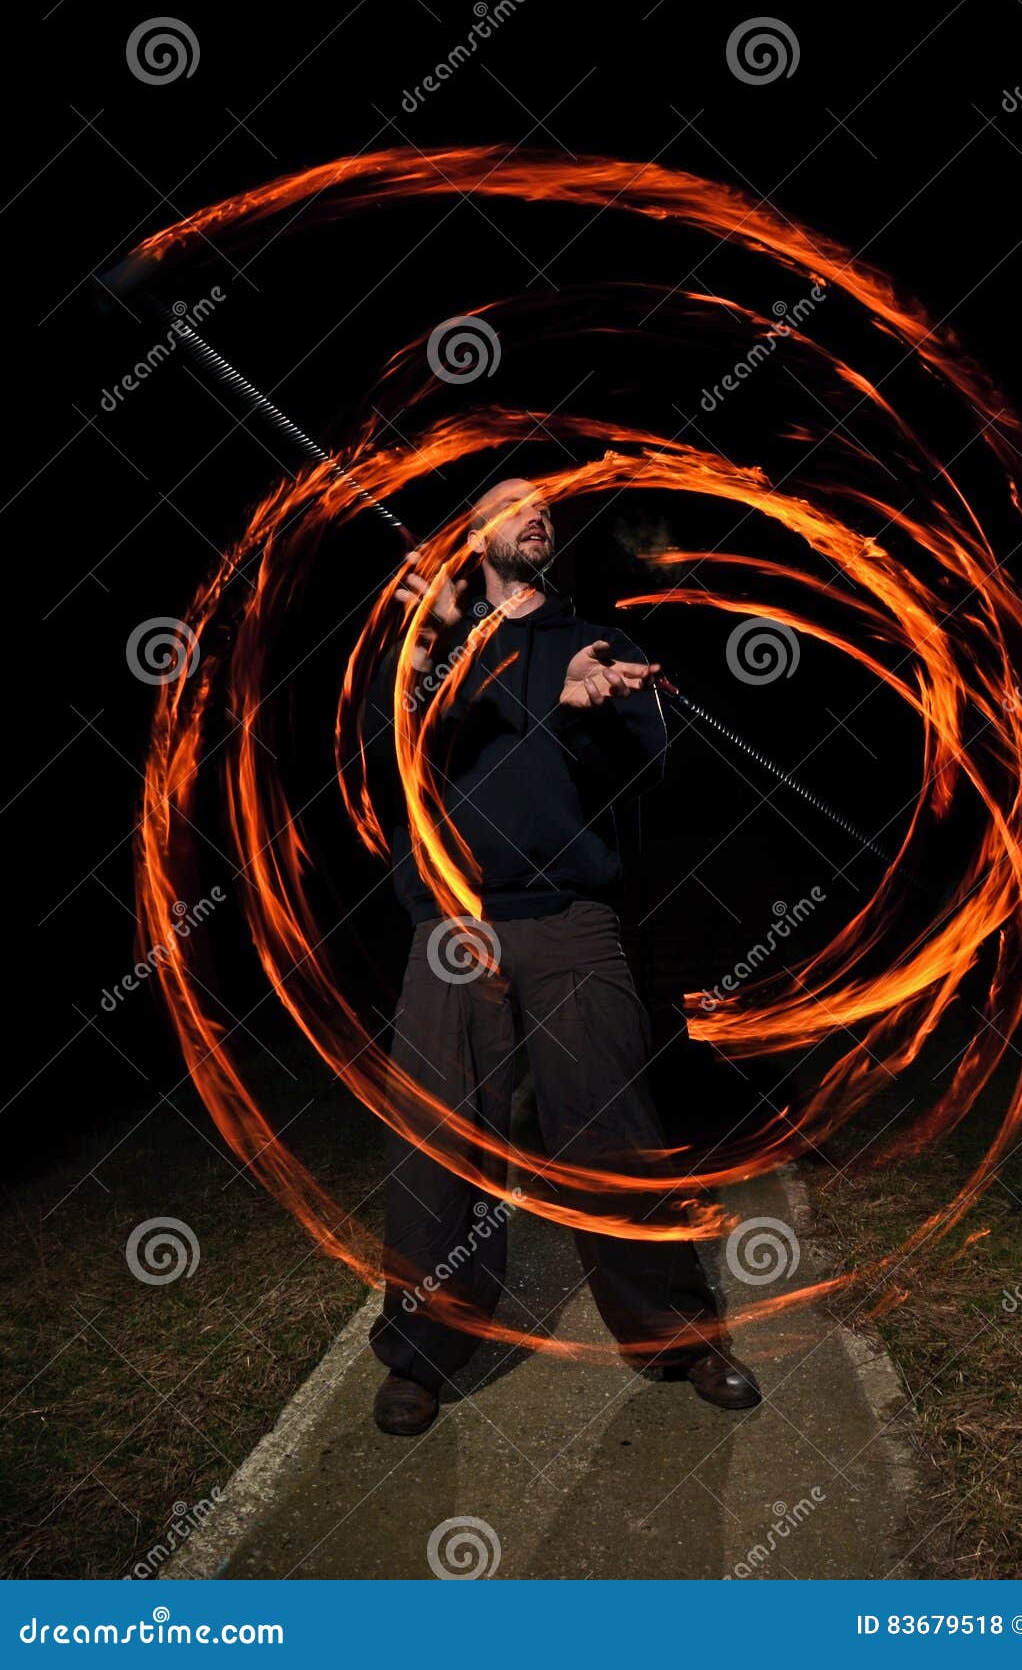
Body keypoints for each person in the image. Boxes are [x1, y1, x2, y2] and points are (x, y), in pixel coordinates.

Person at [365, 477, 760, 1436]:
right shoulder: (431, 645)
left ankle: (678, 1335)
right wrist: (433, 649)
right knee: (437, 1146)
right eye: (515, 501)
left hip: (571, 921)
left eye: (548, 504)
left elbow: (653, 768)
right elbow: (390, 757)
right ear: (475, 534)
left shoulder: (598, 643)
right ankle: (422, 1353)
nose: (538, 512)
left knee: (614, 1134)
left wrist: (587, 711)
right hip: (451, 927)